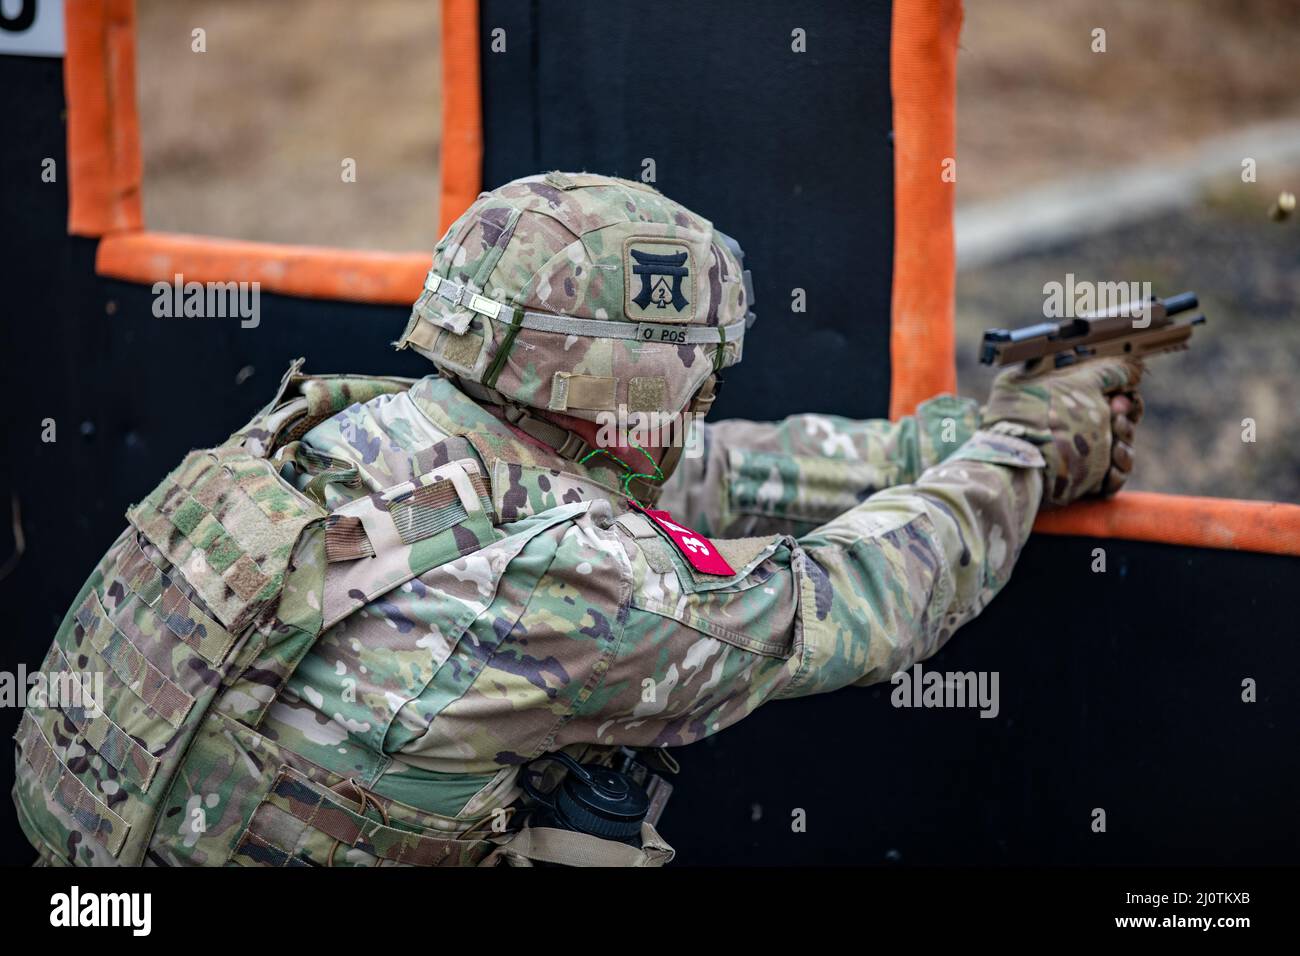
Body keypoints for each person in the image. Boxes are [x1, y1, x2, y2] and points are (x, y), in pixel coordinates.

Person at [13, 172, 1143, 867]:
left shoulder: (349, 434)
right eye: (692, 373)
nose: (705, 399)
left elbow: (708, 474)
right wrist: (1026, 451)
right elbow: (866, 598)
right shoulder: (572, 585)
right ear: (643, 383)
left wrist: (926, 443)